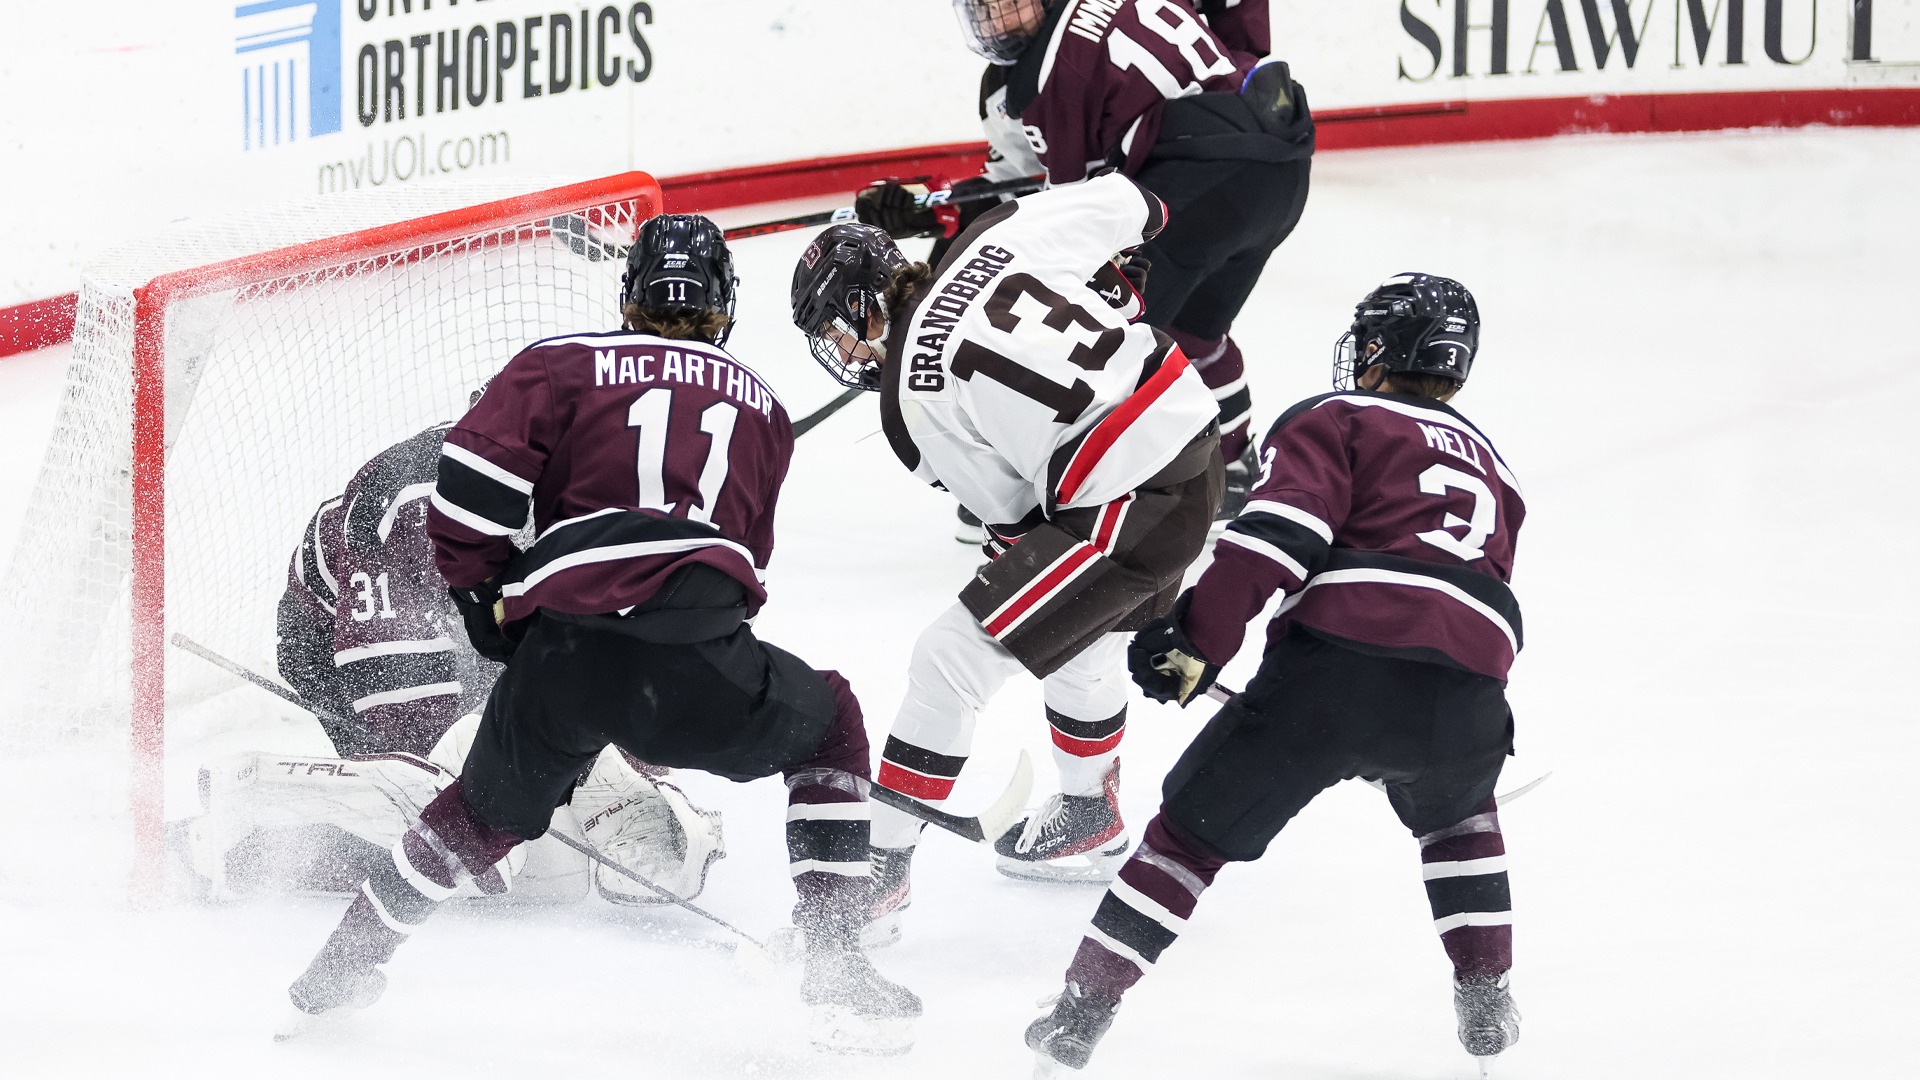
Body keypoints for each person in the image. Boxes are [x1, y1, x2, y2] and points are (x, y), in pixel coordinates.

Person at [282, 214, 920, 1054]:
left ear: (629, 298)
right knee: (828, 719)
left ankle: (342, 963)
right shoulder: (761, 406)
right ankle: (837, 963)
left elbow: (468, 486)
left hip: (564, 657)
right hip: (696, 659)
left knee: (476, 812)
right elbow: (745, 564)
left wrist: (484, 607)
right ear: (725, 306)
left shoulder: (557, 365)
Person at [1025, 274, 1527, 1075]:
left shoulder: (1338, 417)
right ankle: (1485, 990)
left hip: (1332, 677)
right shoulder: (1497, 466)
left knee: (1185, 842)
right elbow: (1469, 597)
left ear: (1380, 350)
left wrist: (1198, 638)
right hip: (1470, 694)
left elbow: (1277, 537)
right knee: (1461, 822)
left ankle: (1082, 1011)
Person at [789, 174, 1223, 934]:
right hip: (1194, 439)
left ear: (861, 306)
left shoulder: (909, 403)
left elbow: (1019, 518)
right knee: (1079, 638)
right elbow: (1143, 204)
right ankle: (1089, 810)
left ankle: (877, 881)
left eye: (834, 328)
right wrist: (1109, 288)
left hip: (1125, 497)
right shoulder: (993, 235)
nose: (841, 349)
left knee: (948, 662)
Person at [186, 421, 725, 908]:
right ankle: (249, 810)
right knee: (461, 799)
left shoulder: (597, 509)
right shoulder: (411, 499)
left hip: (467, 626)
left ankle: (298, 831)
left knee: (549, 862)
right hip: (336, 642)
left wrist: (617, 759)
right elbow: (403, 706)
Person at [856, 0, 1314, 520]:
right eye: (980, 10)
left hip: (1198, 186)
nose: (992, 23)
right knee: (1197, 331)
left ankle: (1102, 489)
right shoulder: (1071, 41)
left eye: (1005, 6)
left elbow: (1065, 216)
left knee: (1090, 327)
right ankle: (1233, 468)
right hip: (1280, 162)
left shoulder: (1049, 69)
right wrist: (934, 210)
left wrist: (943, 257)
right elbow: (1018, 178)